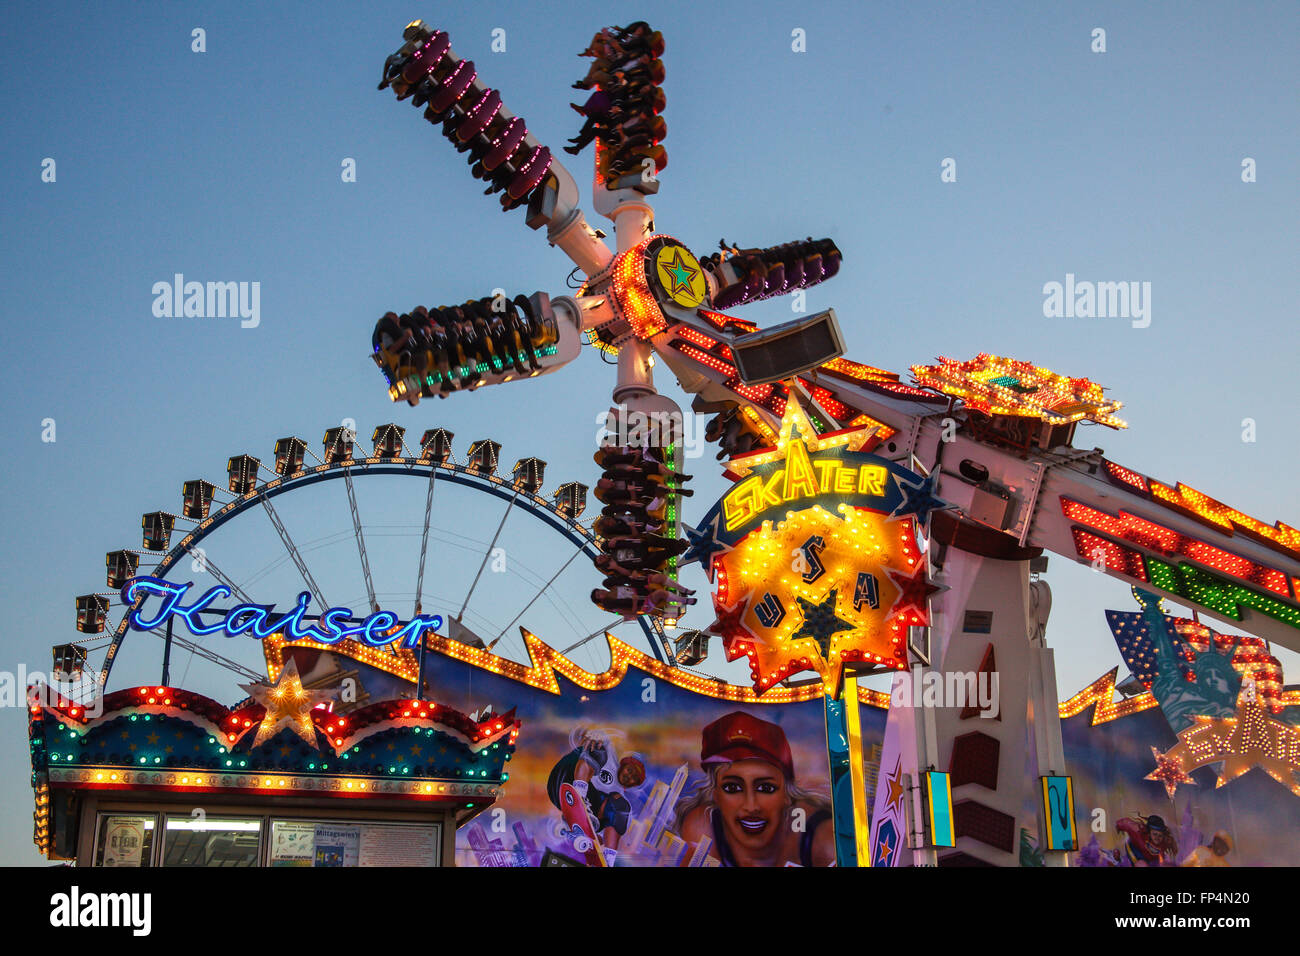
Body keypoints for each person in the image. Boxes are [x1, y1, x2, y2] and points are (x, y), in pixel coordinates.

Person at [676, 712, 835, 866]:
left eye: (766, 788)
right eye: (732, 788)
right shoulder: (703, 827)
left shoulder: (824, 840)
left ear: (787, 794)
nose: (751, 807)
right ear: (715, 795)